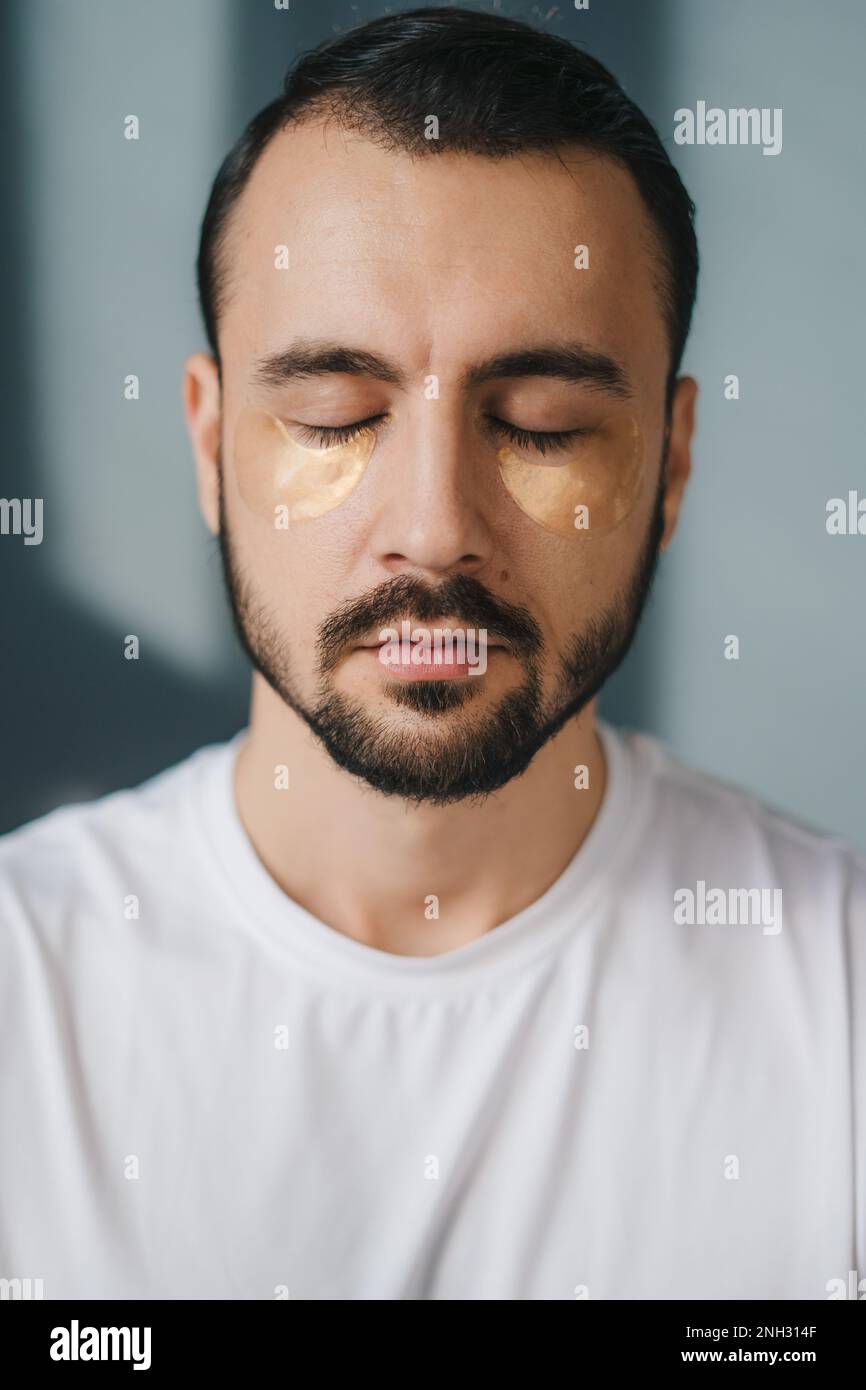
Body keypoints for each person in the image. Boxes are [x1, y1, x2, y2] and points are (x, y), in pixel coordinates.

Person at [1, 7, 863, 1301]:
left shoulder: (836, 996)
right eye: (336, 416)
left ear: (670, 464)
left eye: (541, 424)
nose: (433, 530)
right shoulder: (24, 982)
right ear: (209, 444)